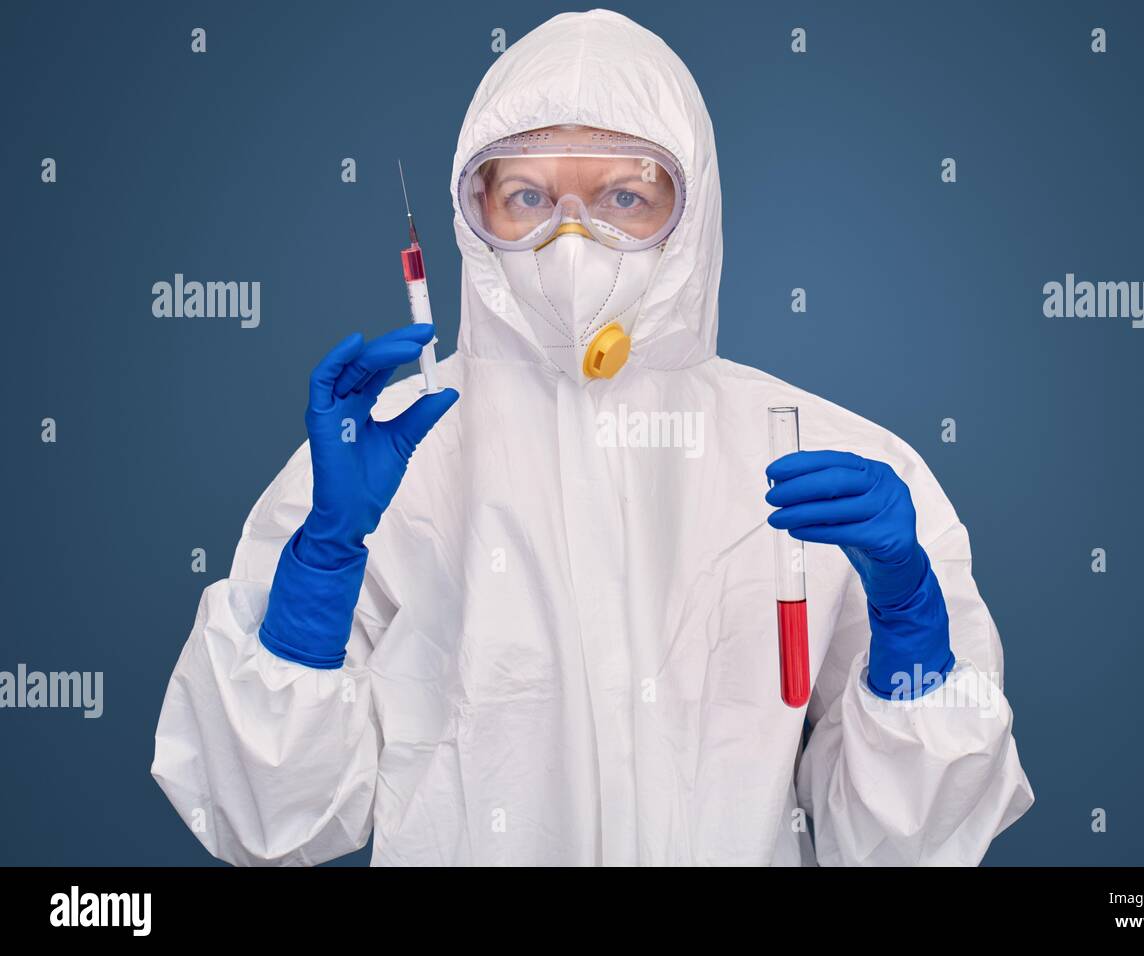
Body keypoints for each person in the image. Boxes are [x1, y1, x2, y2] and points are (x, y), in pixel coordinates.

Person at [152, 8, 1033, 866]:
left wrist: (909, 621)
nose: (570, 241)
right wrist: (322, 562)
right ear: (473, 212)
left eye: (624, 196)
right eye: (528, 196)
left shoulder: (819, 456)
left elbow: (903, 848)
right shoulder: (390, 463)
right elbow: (265, 821)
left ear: (691, 210)